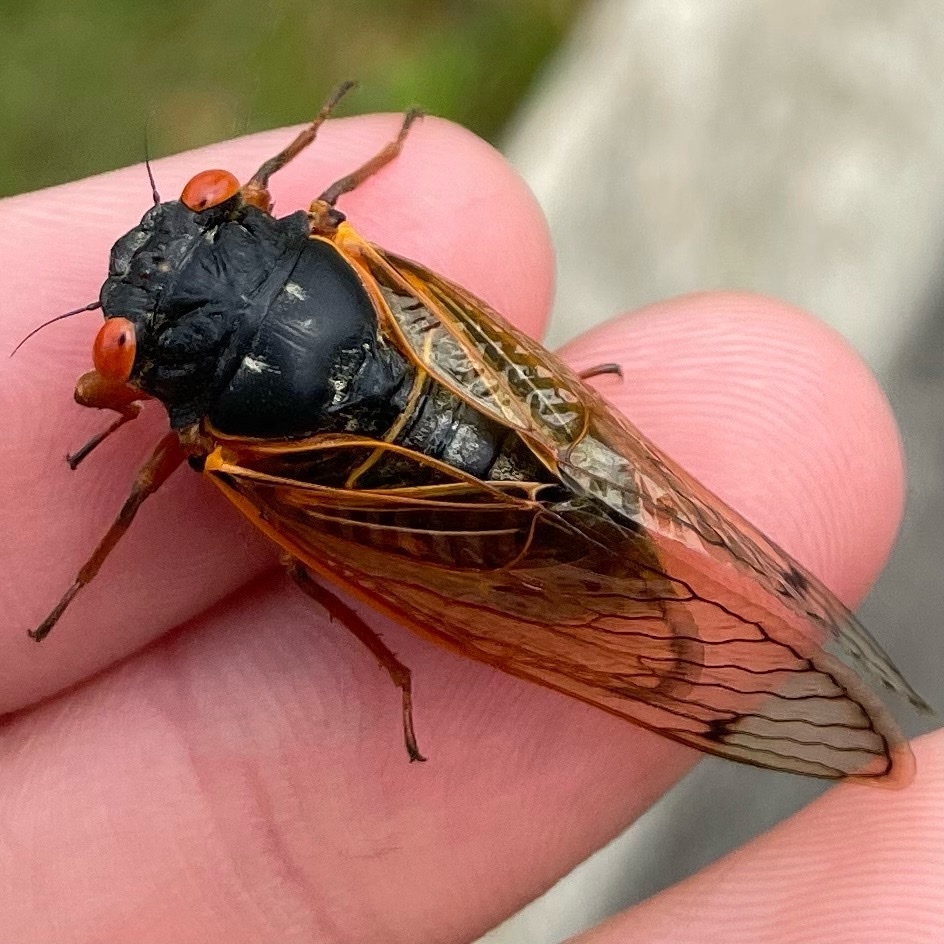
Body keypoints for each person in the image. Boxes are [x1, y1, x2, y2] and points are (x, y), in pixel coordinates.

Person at [0, 114, 938, 943]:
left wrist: (92, 513)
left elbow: (113, 409)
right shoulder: (303, 251)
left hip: (451, 487)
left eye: (205, 200)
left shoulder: (201, 432)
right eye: (119, 344)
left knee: (303, 566)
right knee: (354, 509)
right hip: (472, 441)